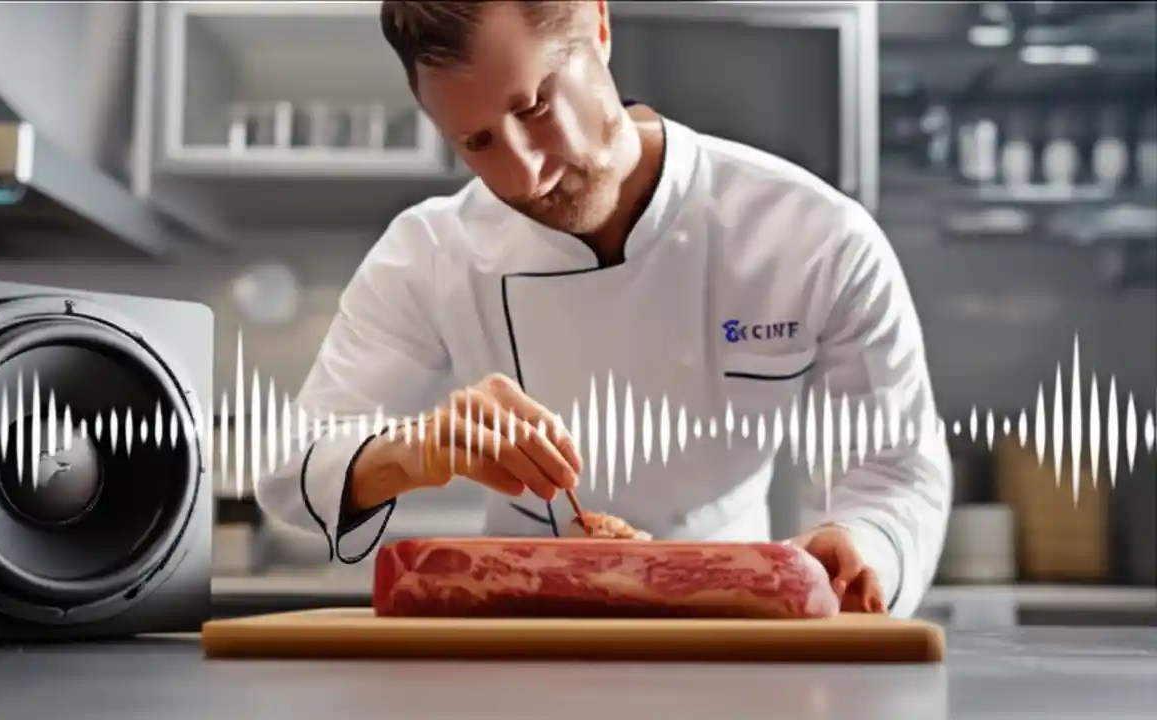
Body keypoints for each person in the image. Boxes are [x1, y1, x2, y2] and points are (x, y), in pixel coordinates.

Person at [257, 0, 952, 617]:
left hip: (734, 637)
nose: (525, 172)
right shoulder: (431, 251)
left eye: (533, 107)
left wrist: (862, 547)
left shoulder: (815, 235)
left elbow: (892, 472)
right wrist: (419, 451)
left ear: (598, 23)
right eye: (478, 143)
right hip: (515, 647)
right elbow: (292, 474)